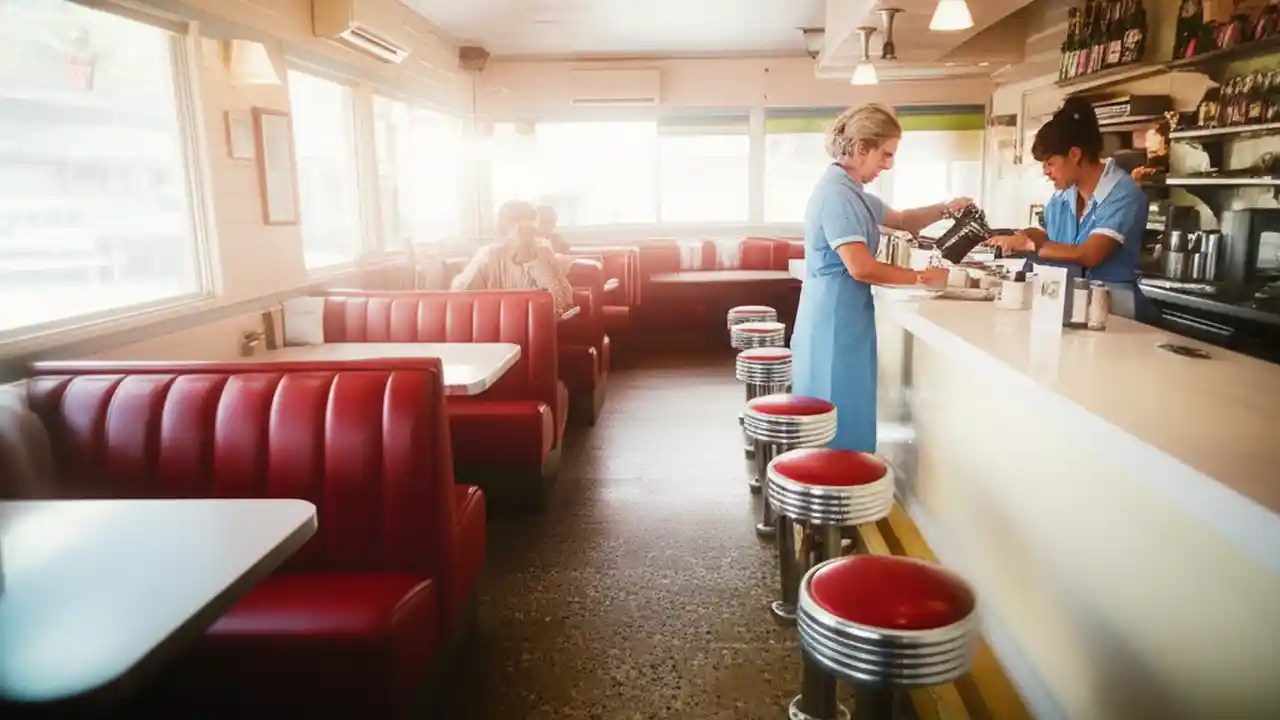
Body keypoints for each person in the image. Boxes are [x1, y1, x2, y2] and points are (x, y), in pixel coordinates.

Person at [790, 103, 968, 453]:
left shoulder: (852, 192)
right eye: (885, 155)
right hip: (833, 322)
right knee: (836, 416)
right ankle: (837, 496)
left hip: (844, 316)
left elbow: (902, 219)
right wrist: (920, 277)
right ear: (860, 149)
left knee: (847, 409)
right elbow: (861, 267)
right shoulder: (837, 196)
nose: (888, 164)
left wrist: (947, 208)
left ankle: (840, 490)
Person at [987, 97, 1152, 321]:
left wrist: (1030, 244)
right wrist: (1022, 237)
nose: (1046, 171)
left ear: (1075, 154)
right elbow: (1055, 243)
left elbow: (1089, 254)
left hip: (1113, 309)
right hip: (1066, 304)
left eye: (1050, 163)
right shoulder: (1061, 198)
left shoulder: (1122, 193)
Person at [451, 200, 576, 315]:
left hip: (538, 323)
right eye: (522, 230)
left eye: (531, 230)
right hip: (495, 324)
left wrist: (534, 261)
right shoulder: (488, 256)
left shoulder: (543, 251)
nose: (528, 236)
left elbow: (563, 305)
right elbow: (459, 299)